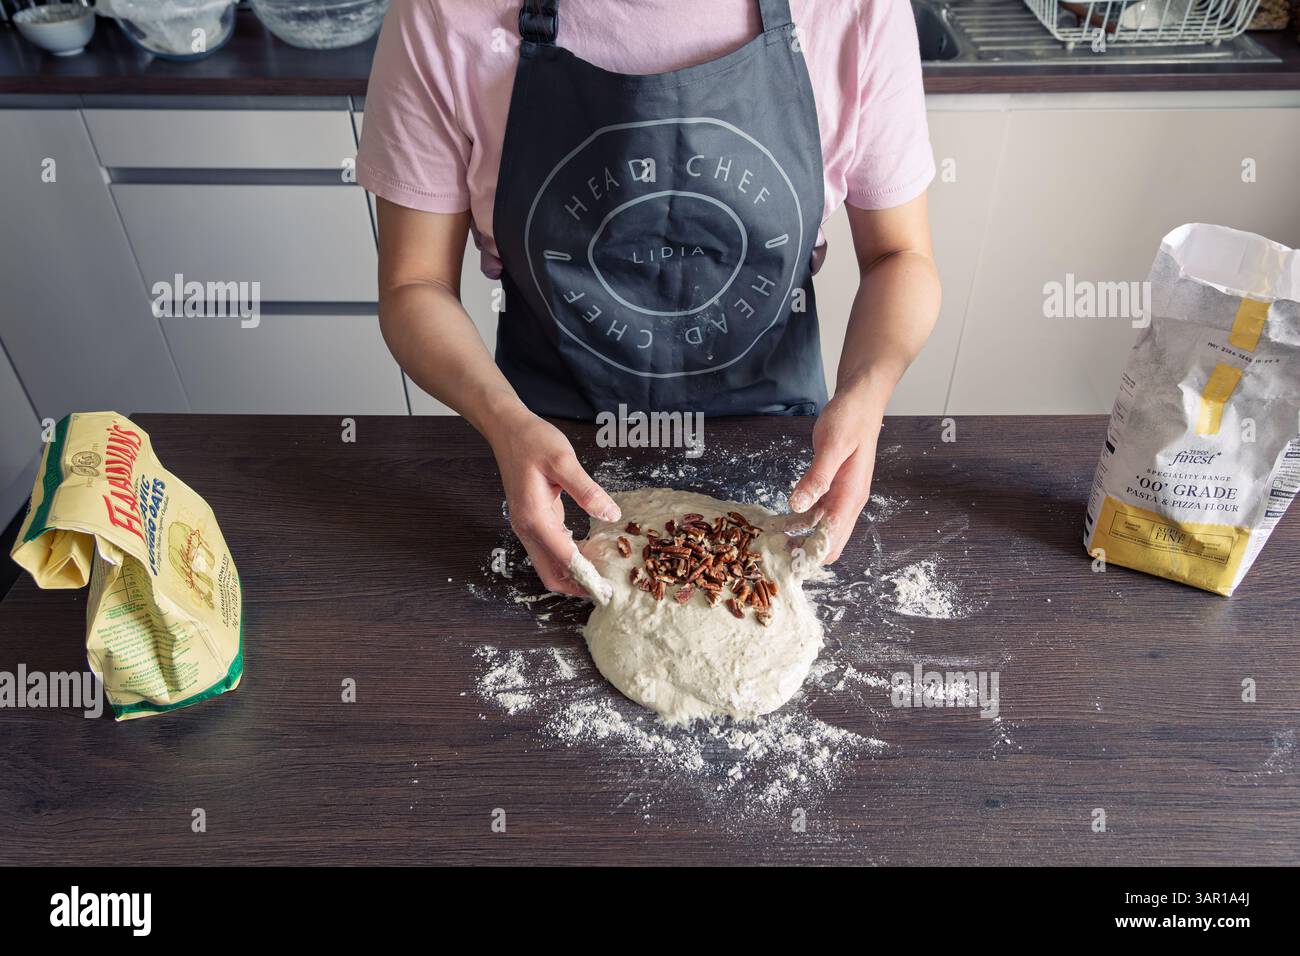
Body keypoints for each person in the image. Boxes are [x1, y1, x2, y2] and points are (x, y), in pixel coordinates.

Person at [357, 0, 941, 596]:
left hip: (782, 446)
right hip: (544, 451)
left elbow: (900, 257)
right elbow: (415, 283)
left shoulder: (856, 8)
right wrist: (505, 424)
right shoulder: (441, 12)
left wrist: (867, 398)